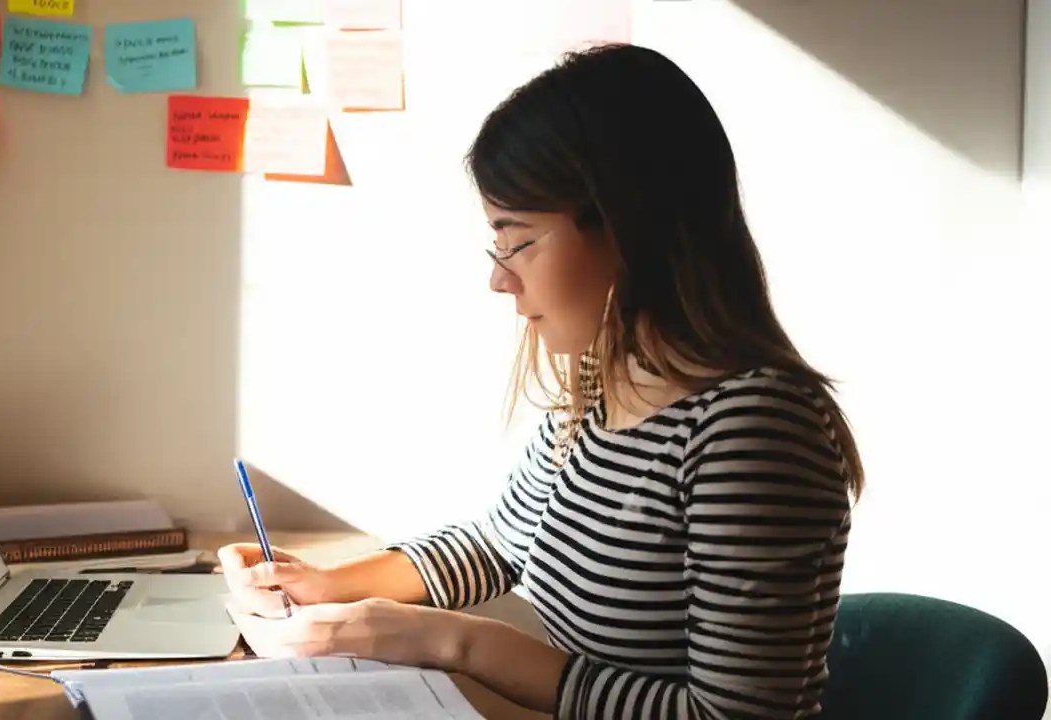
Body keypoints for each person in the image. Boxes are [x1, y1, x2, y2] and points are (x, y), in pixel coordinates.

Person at [219, 42, 861, 719]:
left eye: (517, 240)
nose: (500, 278)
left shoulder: (753, 430)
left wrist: (450, 641)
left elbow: (731, 717)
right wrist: (322, 586)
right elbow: (499, 542)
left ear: (625, 225)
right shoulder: (605, 383)